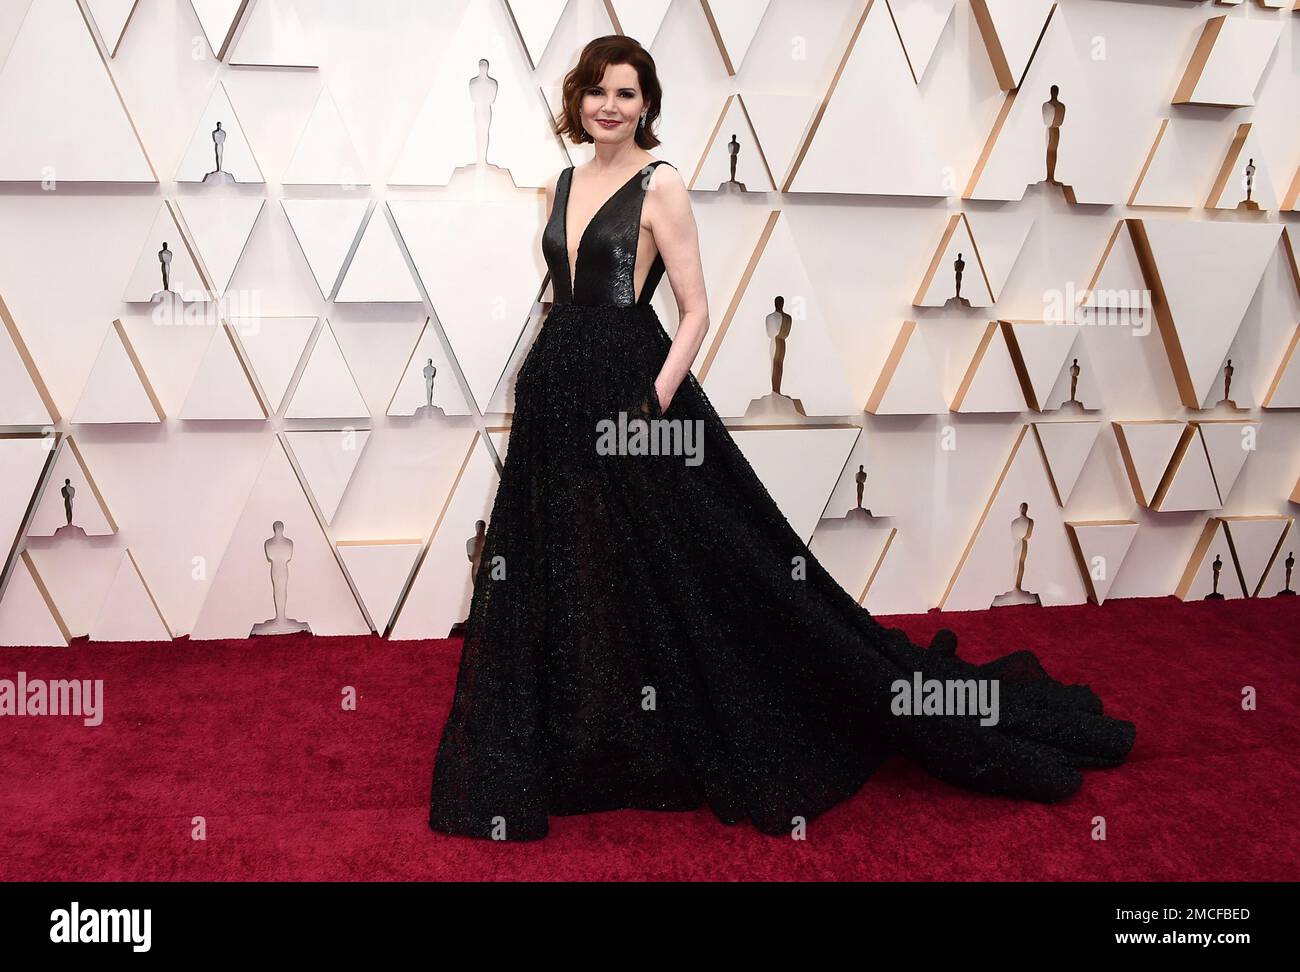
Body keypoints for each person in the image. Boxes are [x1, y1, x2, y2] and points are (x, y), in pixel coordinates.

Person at [427, 35, 1136, 842]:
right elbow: (566, 294)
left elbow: (695, 309)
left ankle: (687, 720)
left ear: (647, 105)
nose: (610, 106)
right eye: (597, 92)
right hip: (555, 395)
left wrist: (652, 402)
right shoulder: (558, 185)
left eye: (626, 93)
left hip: (633, 397)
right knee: (575, 559)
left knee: (688, 563)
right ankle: (587, 730)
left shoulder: (661, 186)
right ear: (578, 100)